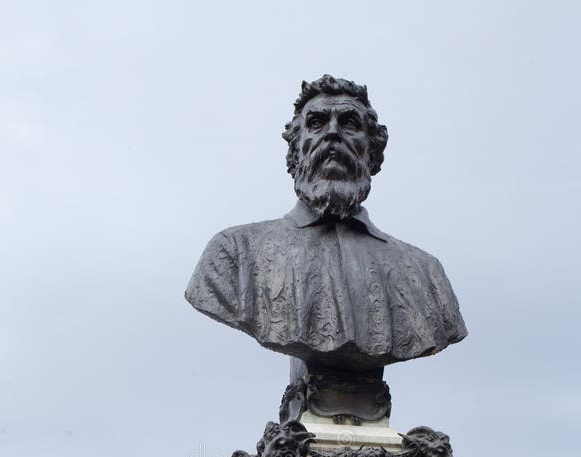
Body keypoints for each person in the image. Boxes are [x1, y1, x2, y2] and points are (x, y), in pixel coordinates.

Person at [186, 75, 467, 375]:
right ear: (295, 151)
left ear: (372, 151)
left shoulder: (424, 273)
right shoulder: (235, 253)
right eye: (318, 123)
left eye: (349, 124)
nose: (333, 134)